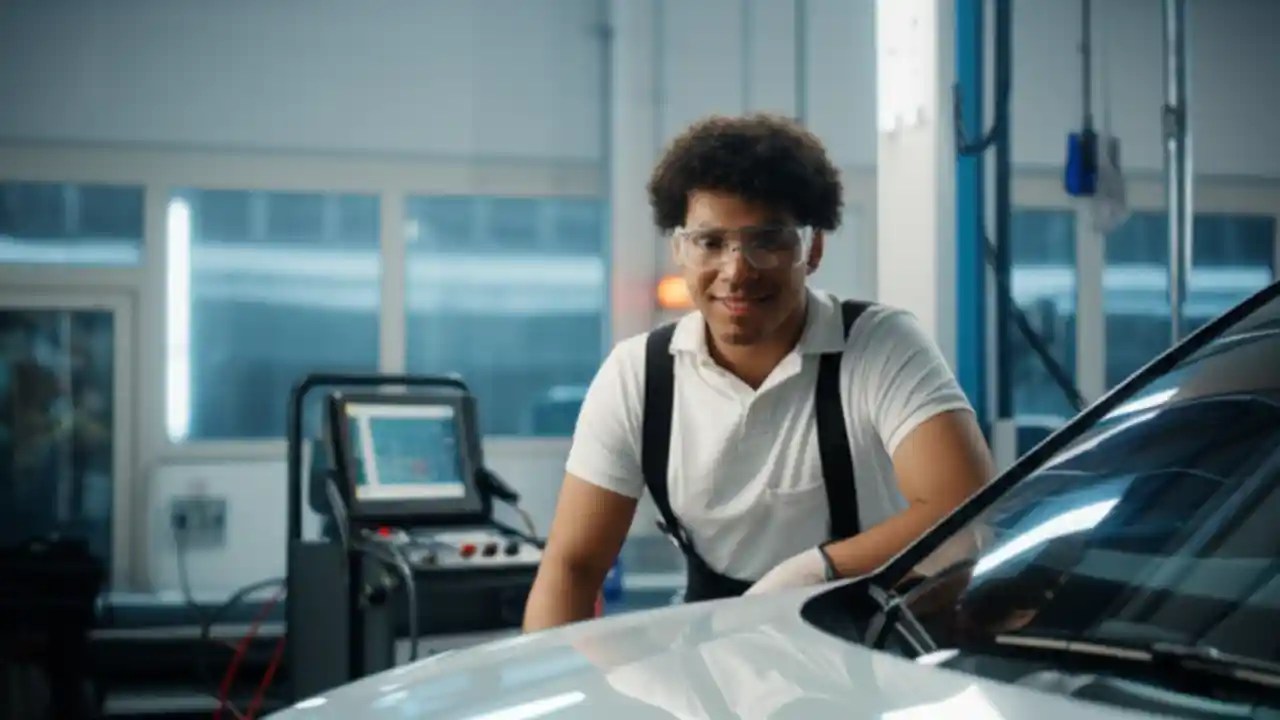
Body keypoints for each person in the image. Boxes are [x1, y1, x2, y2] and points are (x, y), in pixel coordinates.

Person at [523, 113, 994, 632]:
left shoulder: (879, 345)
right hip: (717, 646)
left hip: (869, 638)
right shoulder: (639, 376)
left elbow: (962, 512)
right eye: (710, 242)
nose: (736, 270)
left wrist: (812, 570)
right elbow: (573, 565)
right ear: (680, 249)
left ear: (812, 249)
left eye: (767, 240)